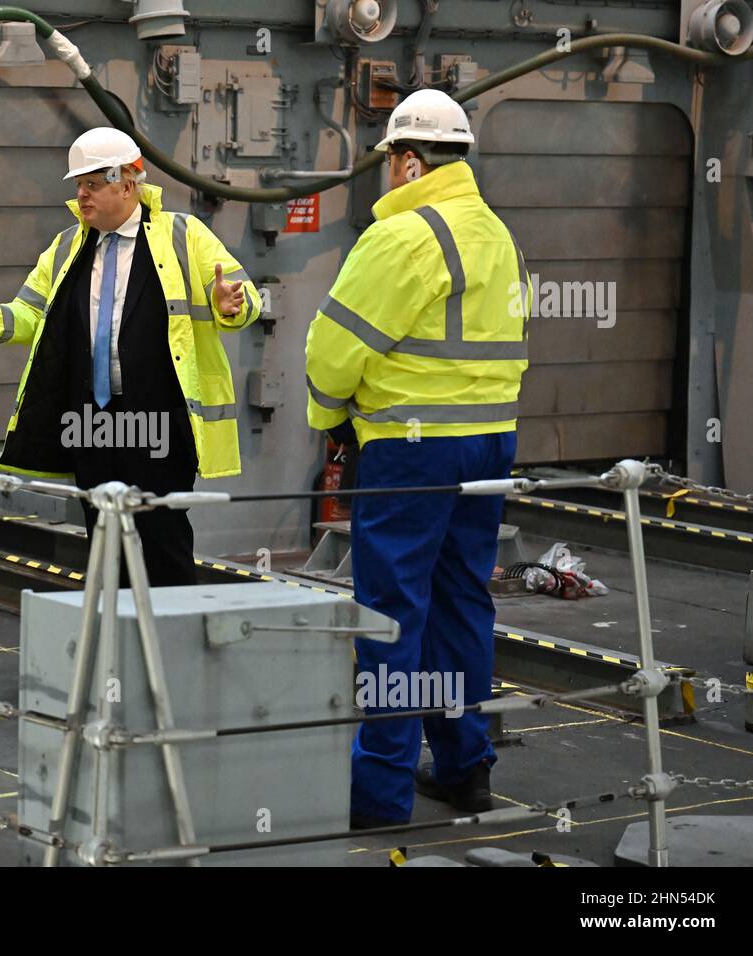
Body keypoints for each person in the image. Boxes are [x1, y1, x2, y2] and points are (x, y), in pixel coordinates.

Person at [303, 89, 532, 828]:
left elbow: (332, 352)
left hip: (409, 451)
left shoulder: (401, 237)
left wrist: (331, 419)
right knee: (463, 603)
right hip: (489, 444)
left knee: (391, 615)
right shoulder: (497, 232)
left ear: (407, 161)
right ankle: (466, 768)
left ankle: (379, 794)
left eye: (388, 161)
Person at [0, 127, 260, 586]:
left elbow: (242, 296)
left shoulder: (184, 236)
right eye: (78, 186)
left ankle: (171, 646)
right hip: (92, 422)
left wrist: (233, 303)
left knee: (162, 540)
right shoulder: (68, 245)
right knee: (104, 543)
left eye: (92, 184)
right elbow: (32, 314)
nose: (81, 195)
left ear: (127, 183)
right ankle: (116, 648)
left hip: (160, 423)